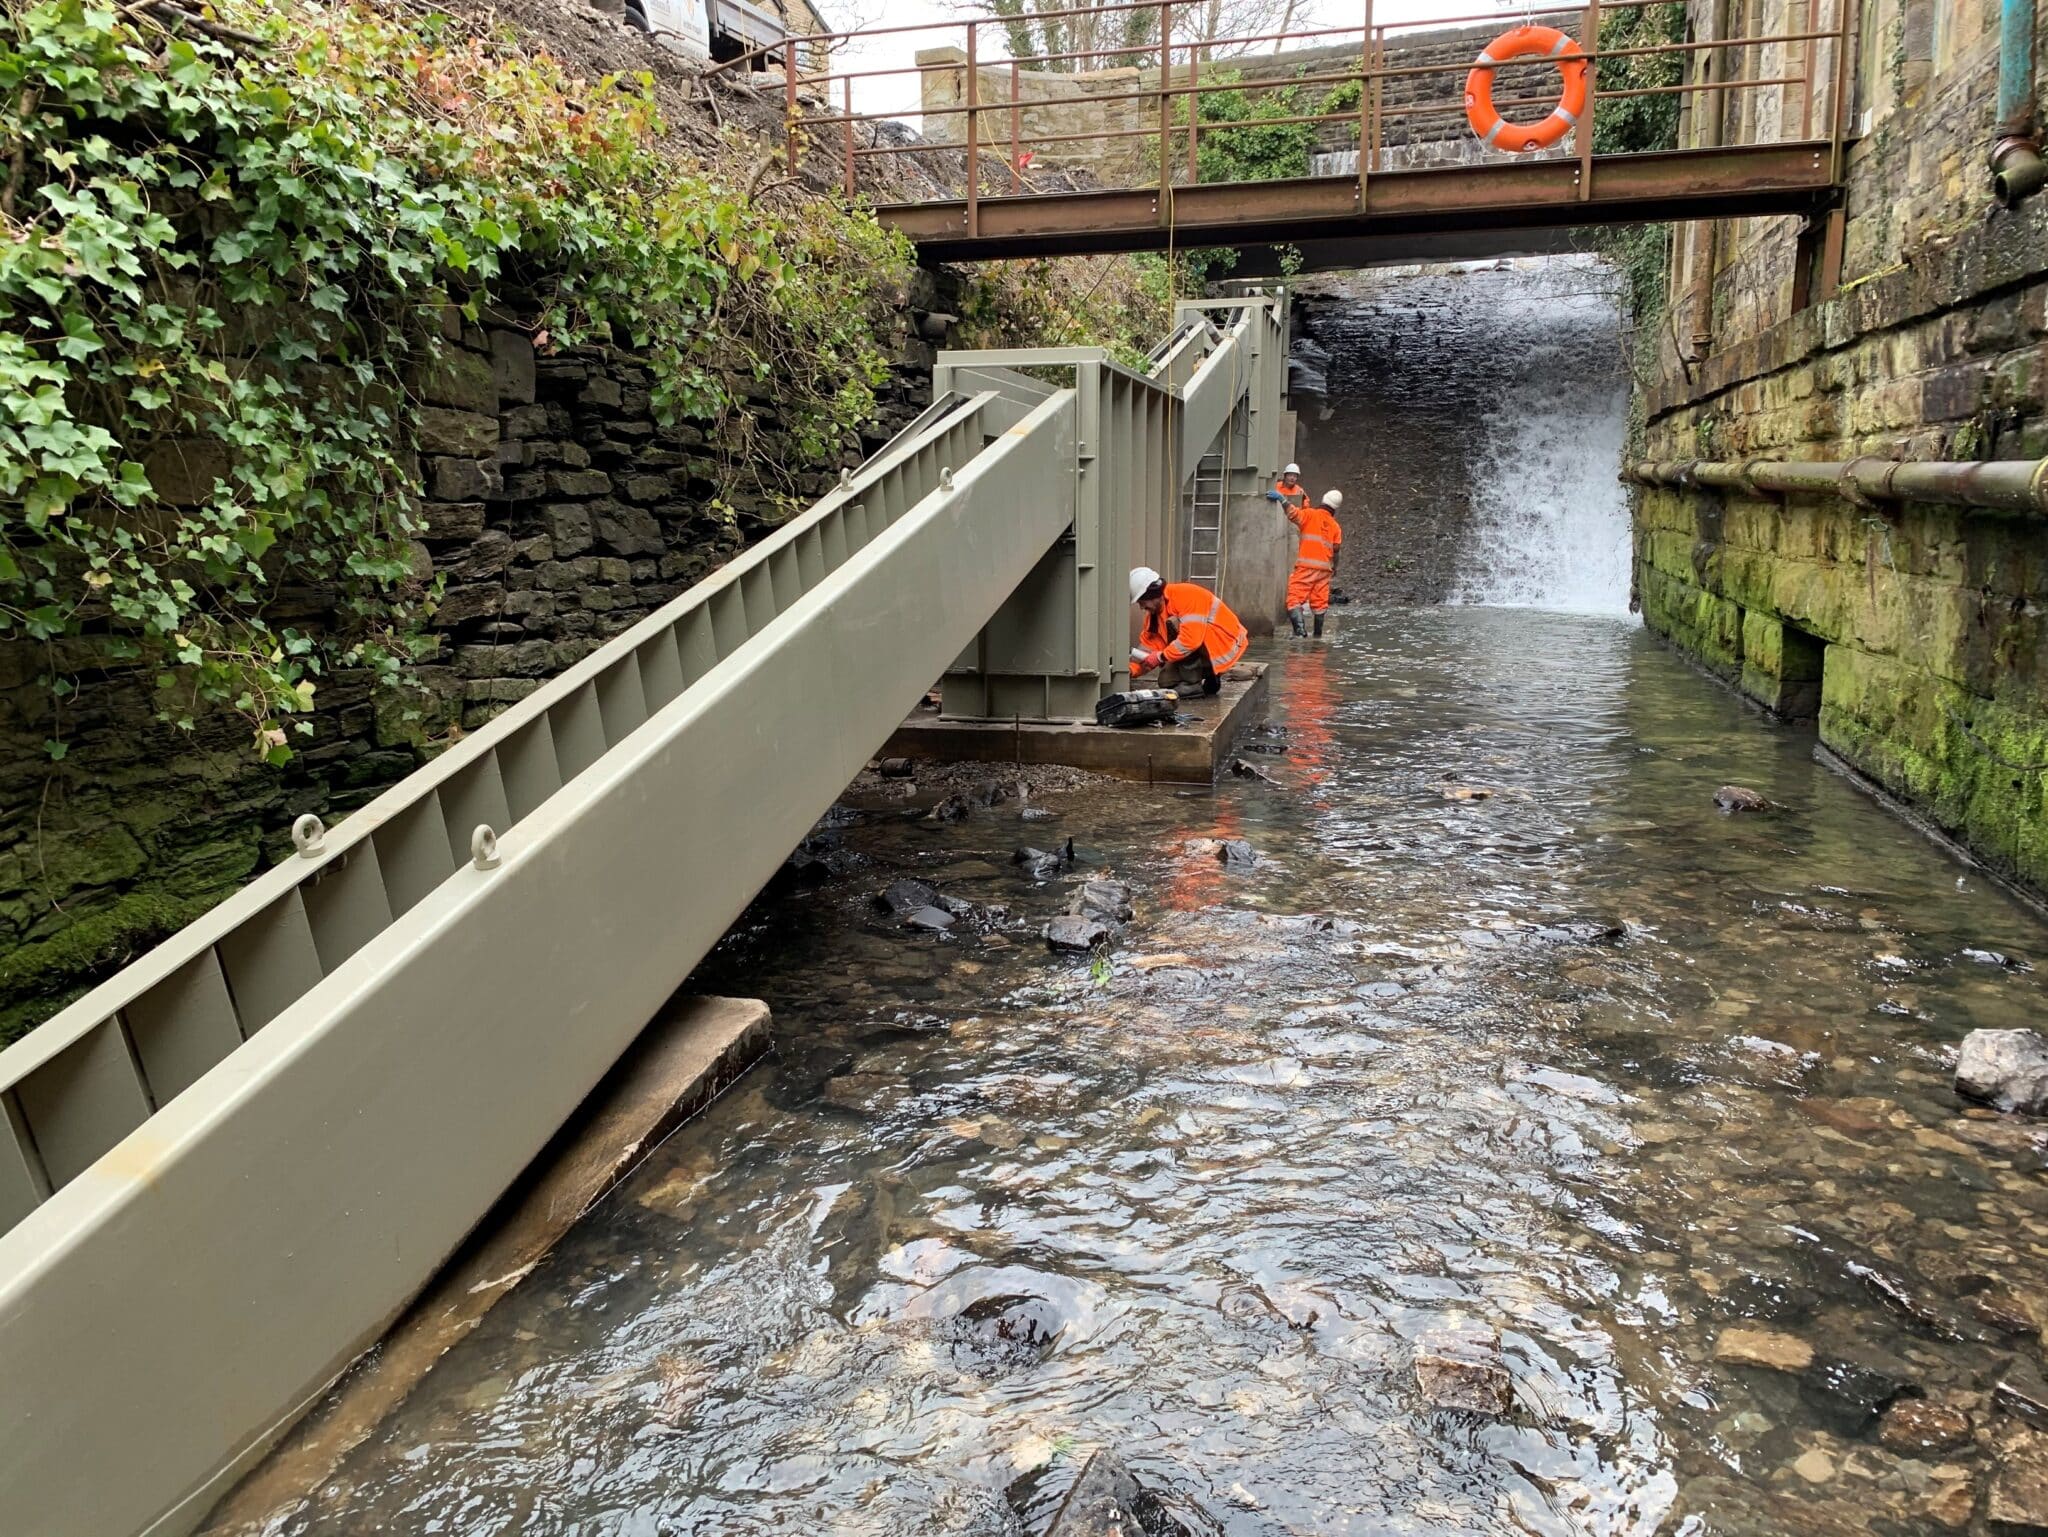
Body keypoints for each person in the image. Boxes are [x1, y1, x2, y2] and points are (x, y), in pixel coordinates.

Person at [1128, 566, 1248, 697]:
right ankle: (1210, 674)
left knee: (1174, 624)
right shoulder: (1153, 617)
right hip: (1202, 647)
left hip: (1225, 644)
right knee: (1166, 682)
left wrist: (1160, 657)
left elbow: (1190, 641)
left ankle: (1194, 684)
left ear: (1152, 594)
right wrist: (1130, 670)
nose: (1141, 607)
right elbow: (1147, 650)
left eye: (1142, 602)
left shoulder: (1186, 595)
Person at [1284, 488, 1343, 639]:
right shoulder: (1335, 526)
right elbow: (1336, 551)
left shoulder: (1310, 514)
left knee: (1294, 598)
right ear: (1335, 508)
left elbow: (1294, 514)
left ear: (1323, 501)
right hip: (1324, 570)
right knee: (1319, 602)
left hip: (1307, 566)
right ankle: (1317, 637)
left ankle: (1300, 632)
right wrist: (1334, 567)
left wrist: (1282, 500)